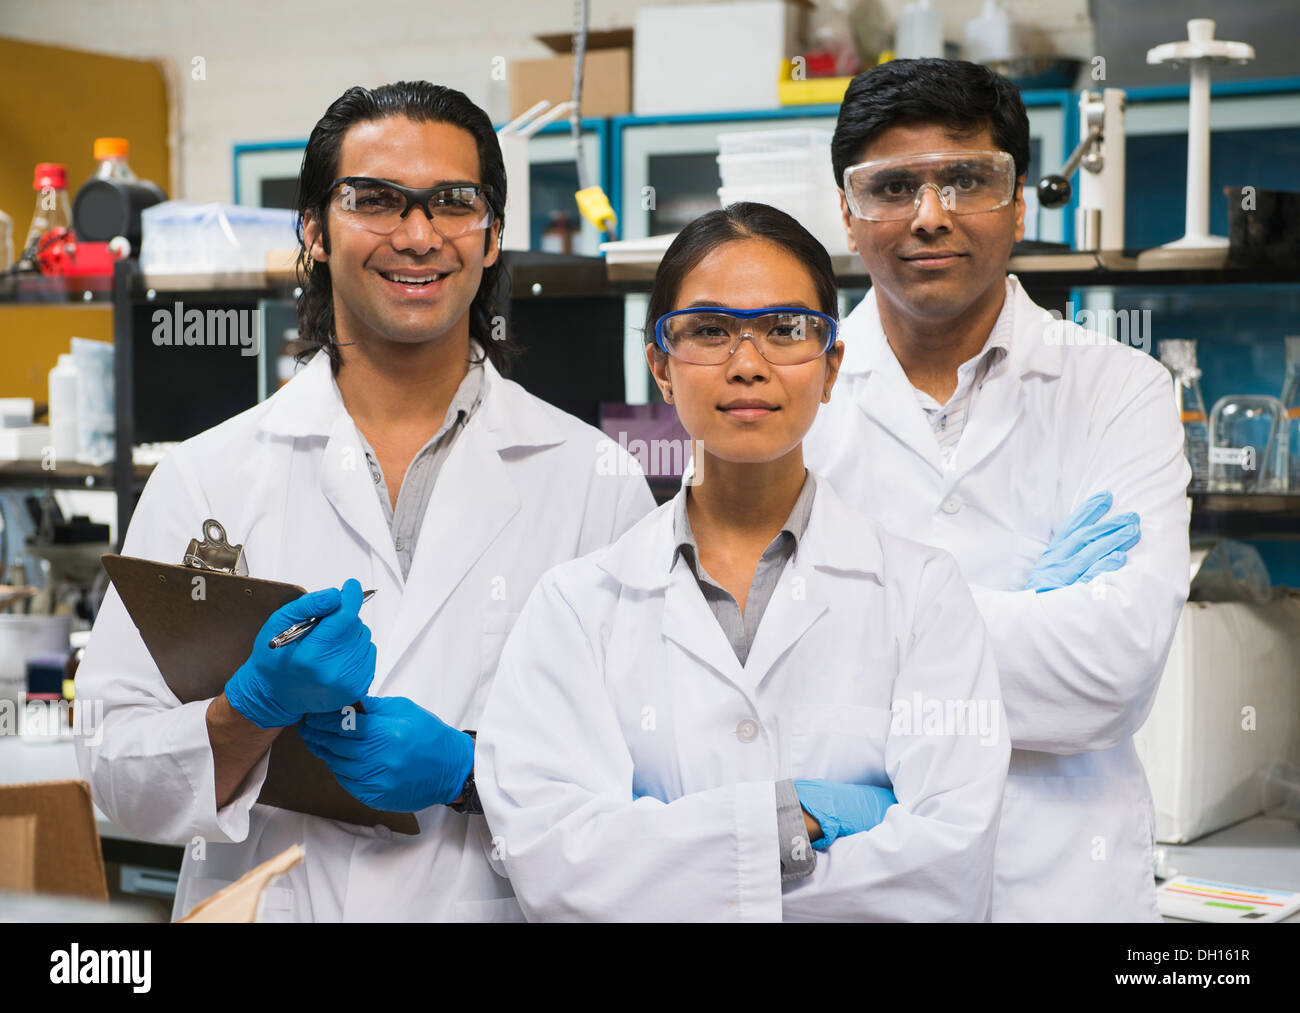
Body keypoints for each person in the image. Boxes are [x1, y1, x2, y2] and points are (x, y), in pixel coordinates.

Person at [75, 81, 654, 922]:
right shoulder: (206, 476)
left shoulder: (596, 481)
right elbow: (111, 768)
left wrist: (472, 772)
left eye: (454, 202)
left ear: (492, 234)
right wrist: (246, 711)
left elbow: (650, 771)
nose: (417, 236)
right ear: (314, 230)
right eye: (375, 200)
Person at [473, 202, 1009, 921]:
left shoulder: (922, 592)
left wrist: (668, 851)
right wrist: (788, 823)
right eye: (709, 331)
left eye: (786, 330)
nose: (748, 365)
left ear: (831, 366)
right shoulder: (577, 605)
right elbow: (559, 871)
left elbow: (945, 875)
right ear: (660, 367)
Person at [801, 58, 1191, 922]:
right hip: (861, 880)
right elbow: (761, 666)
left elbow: (1110, 676)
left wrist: (860, 624)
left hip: (1063, 884)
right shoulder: (789, 396)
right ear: (849, 214)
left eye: (967, 180)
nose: (929, 215)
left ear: (1018, 204)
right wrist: (1027, 616)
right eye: (892, 186)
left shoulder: (1119, 389)